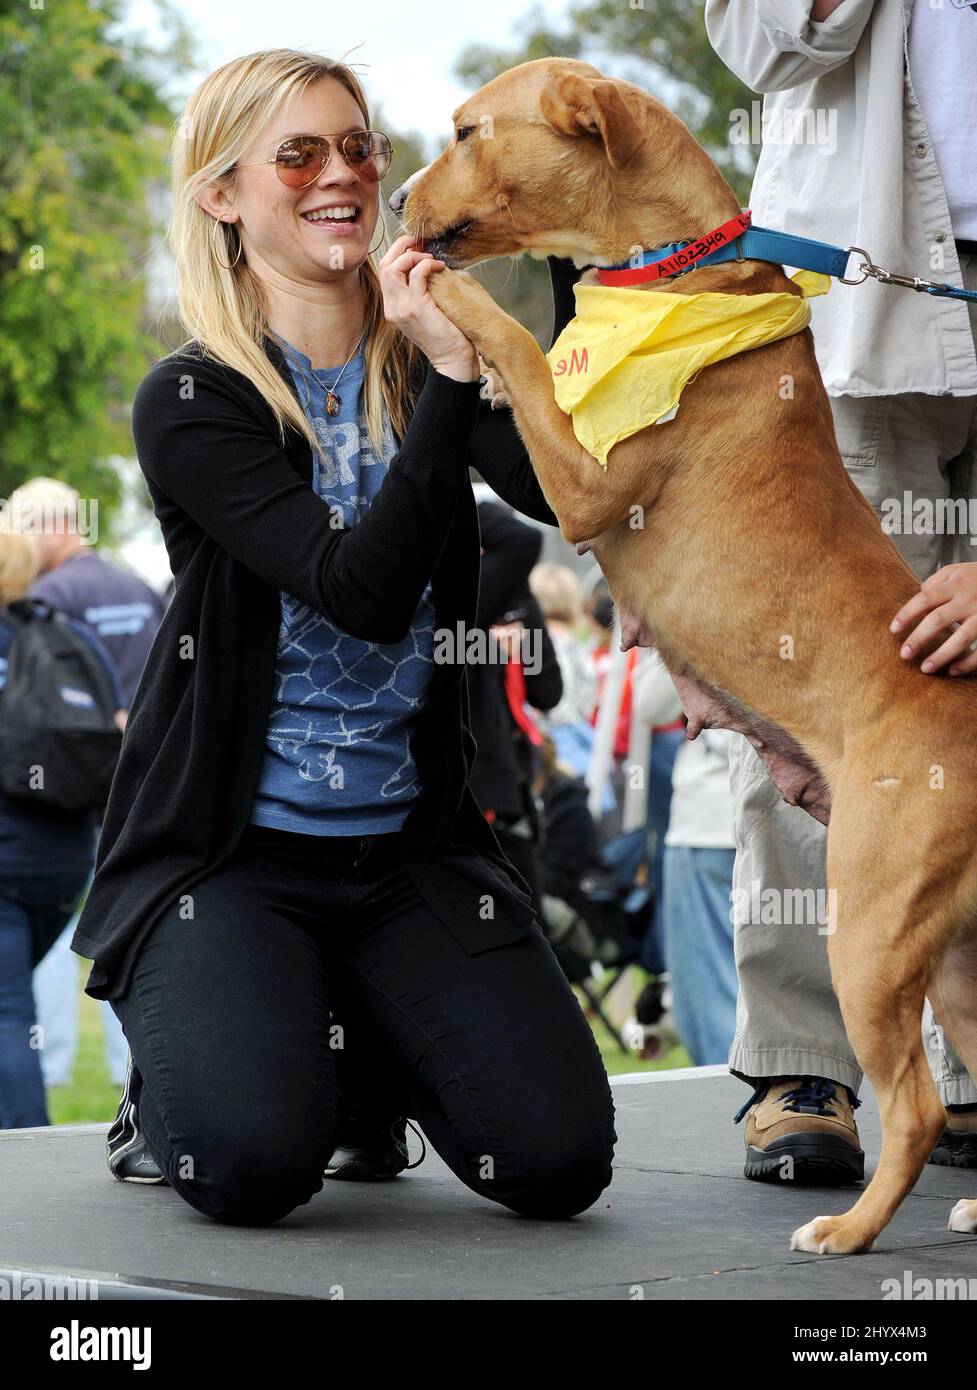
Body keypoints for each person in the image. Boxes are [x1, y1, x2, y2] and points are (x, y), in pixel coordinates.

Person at [72, 48, 615, 1223]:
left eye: (359, 146)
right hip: (232, 855)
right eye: (298, 153)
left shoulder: (426, 341)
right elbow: (355, 587)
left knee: (556, 1161)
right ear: (222, 193)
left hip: (407, 851)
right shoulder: (193, 397)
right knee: (254, 1166)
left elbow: (569, 483)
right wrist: (444, 384)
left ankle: (366, 1046)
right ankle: (178, 1085)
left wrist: (581, 250)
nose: (343, 174)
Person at [706, 0, 977, 1180]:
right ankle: (801, 1060)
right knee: (819, 680)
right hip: (856, 277)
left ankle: (961, 1064)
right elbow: (759, 38)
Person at [12, 476, 166, 1092]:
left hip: (70, 792)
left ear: (48, 526)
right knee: (133, 924)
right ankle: (131, 1073)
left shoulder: (44, 600)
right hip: (148, 778)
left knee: (60, 931)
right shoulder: (134, 587)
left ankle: (48, 1065)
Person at [0, 533, 122, 1127]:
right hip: (65, 861)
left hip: (7, 860)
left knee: (5, 1012)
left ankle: (19, 1155)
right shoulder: (70, 639)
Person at [468, 501, 563, 917]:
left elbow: (547, 692)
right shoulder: (451, 597)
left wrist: (523, 640)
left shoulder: (514, 597)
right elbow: (523, 538)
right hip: (476, 784)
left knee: (526, 918)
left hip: (513, 781)